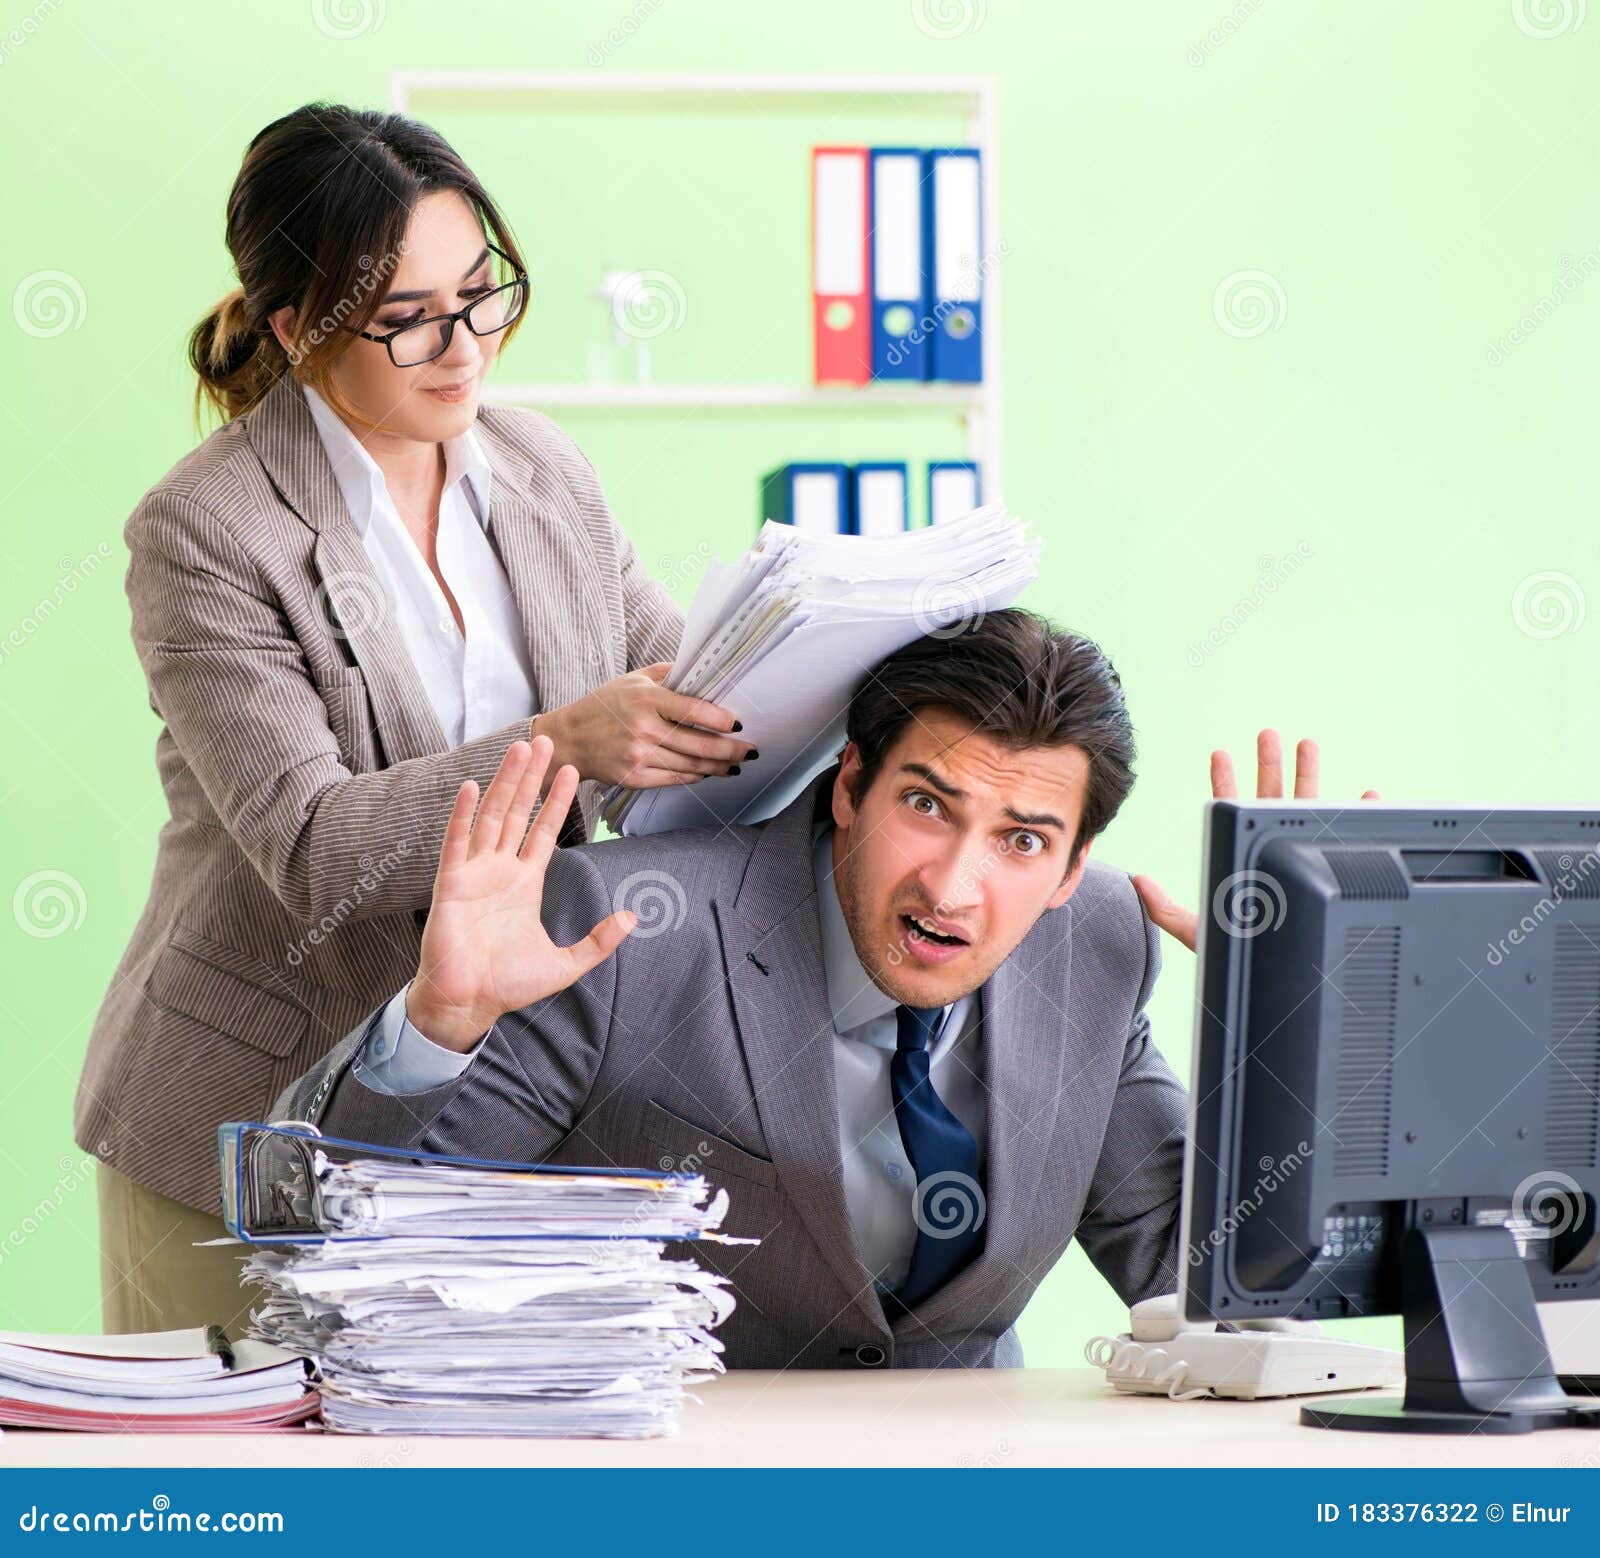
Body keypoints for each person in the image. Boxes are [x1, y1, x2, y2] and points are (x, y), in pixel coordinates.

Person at [75, 102, 753, 1337]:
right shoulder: (209, 530)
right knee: (237, 1508)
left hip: (496, 1100)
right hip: (243, 1113)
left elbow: (677, 680)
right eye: (408, 320)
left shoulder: (540, 468)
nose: (466, 345)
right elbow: (314, 846)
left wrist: (832, 659)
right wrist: (567, 743)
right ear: (295, 328)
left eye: (483, 293)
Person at [278, 609, 1369, 1368]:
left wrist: (1284, 1051)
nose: (952, 884)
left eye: (1021, 839)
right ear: (850, 782)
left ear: (1070, 871)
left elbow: (1210, 1284)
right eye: (928, 806)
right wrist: (438, 1025)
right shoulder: (626, 928)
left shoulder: (1096, 941)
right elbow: (342, 1253)